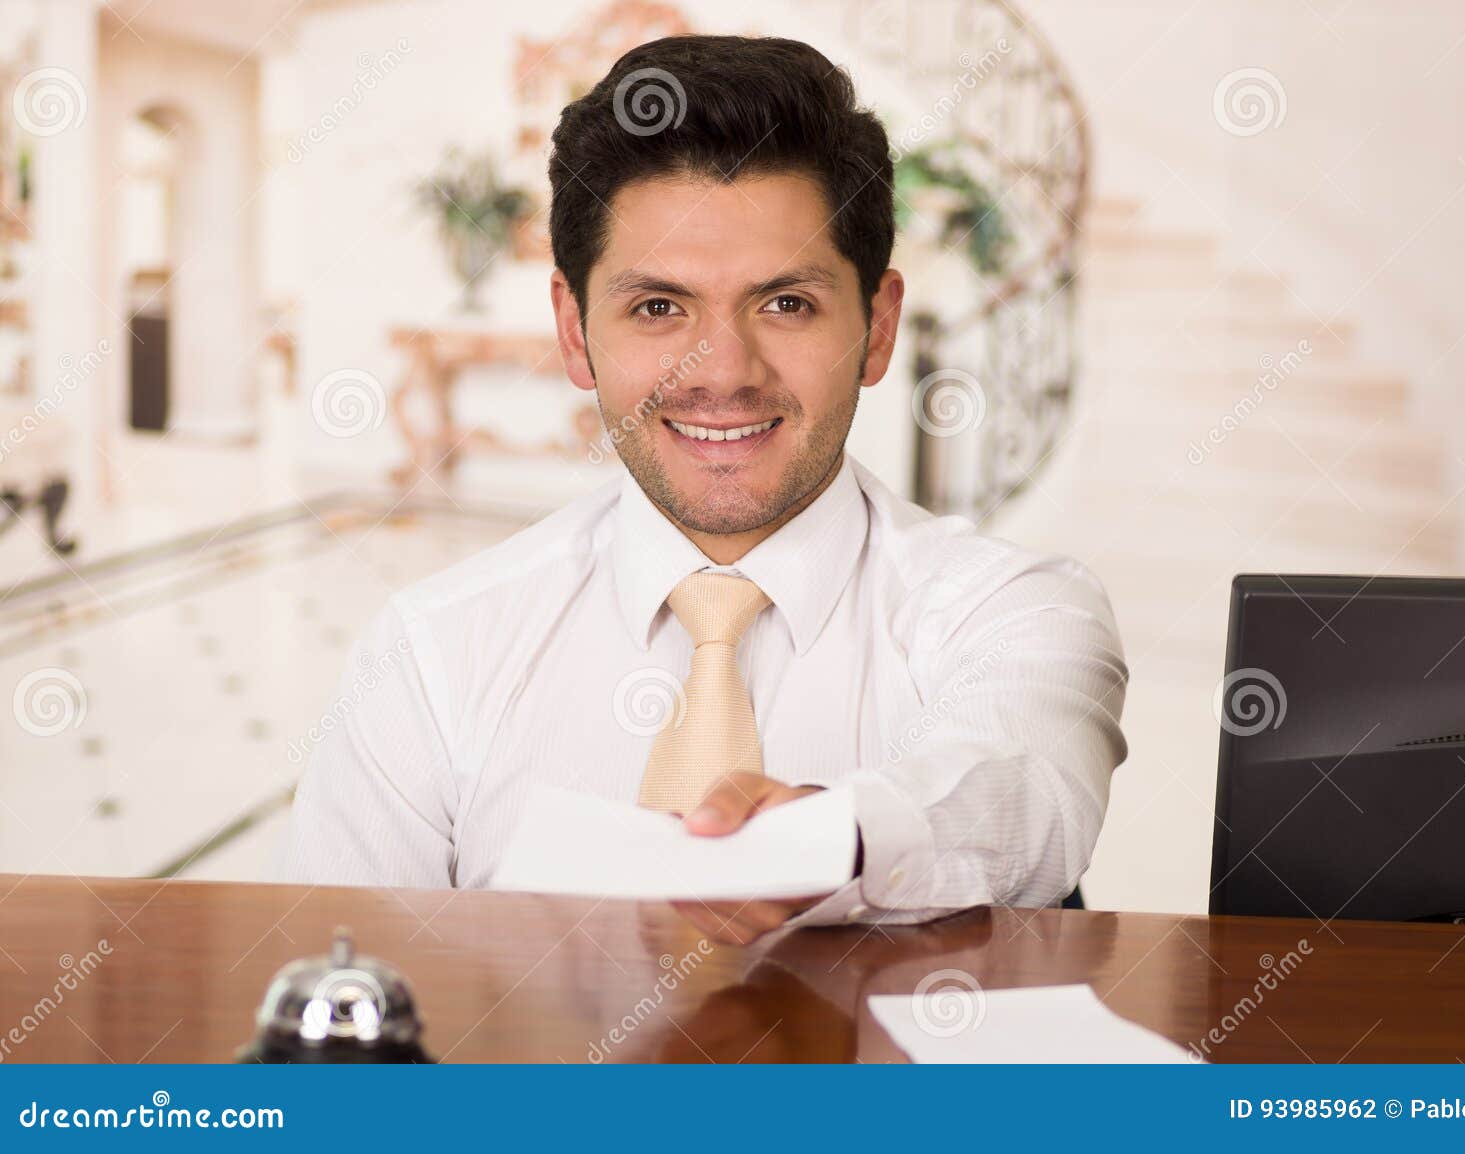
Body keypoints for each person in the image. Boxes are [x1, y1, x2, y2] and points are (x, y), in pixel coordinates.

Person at [281, 33, 1127, 945]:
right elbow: (347, 1011)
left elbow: (1023, 791)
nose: (721, 369)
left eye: (785, 303)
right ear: (574, 331)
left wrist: (827, 843)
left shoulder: (1015, 611)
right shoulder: (430, 652)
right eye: (659, 307)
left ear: (878, 327)